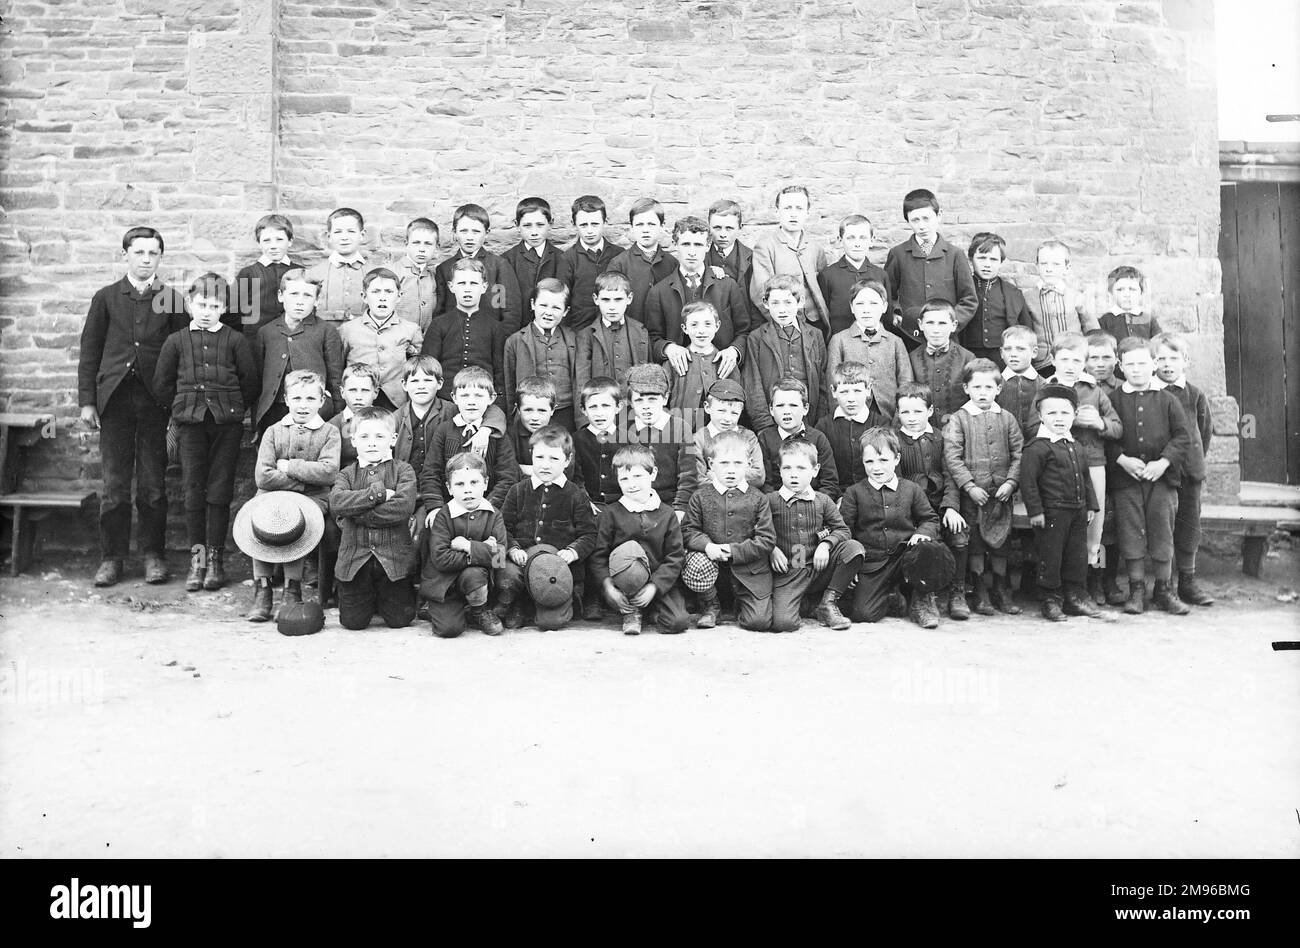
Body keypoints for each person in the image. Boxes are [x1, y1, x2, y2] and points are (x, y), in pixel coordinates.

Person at [78, 225, 187, 587]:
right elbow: (90, 353)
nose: (145, 259)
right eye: (138, 252)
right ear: (125, 254)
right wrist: (87, 403)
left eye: (152, 253)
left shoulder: (170, 298)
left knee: (154, 485)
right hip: (115, 402)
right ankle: (112, 557)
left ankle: (154, 555)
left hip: (156, 401)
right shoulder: (107, 297)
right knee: (114, 485)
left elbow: (181, 353)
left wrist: (175, 401)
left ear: (160, 257)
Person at [153, 272, 258, 592]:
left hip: (225, 426)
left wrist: (233, 409)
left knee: (219, 490)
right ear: (188, 304)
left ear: (224, 307)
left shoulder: (235, 340)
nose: (207, 311)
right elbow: (161, 385)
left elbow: (250, 382)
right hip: (190, 425)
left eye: (214, 305)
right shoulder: (176, 341)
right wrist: (182, 409)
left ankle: (216, 561)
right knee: (192, 490)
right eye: (201, 304)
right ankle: (197, 562)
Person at [1106, 338, 1193, 614]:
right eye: (1130, 364)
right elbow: (1104, 437)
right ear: (1120, 366)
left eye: (1143, 363)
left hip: (1162, 480)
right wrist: (1121, 459)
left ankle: (1164, 590)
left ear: (1154, 364)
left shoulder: (1167, 399)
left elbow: (1182, 437)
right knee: (1130, 530)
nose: (1137, 369)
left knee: (1161, 529)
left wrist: (1164, 462)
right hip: (1126, 480)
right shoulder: (1113, 399)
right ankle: (1136, 590)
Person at [247, 370, 342, 620]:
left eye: (311, 399)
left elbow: (329, 472)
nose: (303, 405)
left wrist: (289, 467)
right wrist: (304, 481)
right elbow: (263, 476)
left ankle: (292, 588)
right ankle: (263, 588)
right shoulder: (273, 431)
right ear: (286, 399)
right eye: (297, 398)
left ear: (322, 401)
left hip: (313, 499)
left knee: (294, 518)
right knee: (260, 517)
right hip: (272, 496)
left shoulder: (329, 433)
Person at [839, 427, 955, 627]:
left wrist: (921, 534)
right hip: (873, 562)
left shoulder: (911, 489)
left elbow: (930, 519)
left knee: (929, 548)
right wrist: (850, 564)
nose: (877, 467)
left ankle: (921, 601)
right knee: (864, 613)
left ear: (896, 458)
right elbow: (844, 530)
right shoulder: (854, 493)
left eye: (883, 460)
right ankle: (894, 598)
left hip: (906, 556)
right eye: (870, 461)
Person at [943, 359, 1024, 616]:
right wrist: (969, 486)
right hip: (974, 496)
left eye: (988, 387)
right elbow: (952, 457)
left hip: (1001, 495)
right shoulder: (959, 419)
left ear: (998, 389)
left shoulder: (1007, 419)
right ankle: (979, 589)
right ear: (966, 388)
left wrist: (1011, 482)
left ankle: (1000, 589)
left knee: (1001, 543)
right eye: (976, 387)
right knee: (975, 542)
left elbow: (1019, 453)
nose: (982, 392)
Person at [497, 425, 599, 630]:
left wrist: (572, 552)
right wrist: (513, 548)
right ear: (531, 456)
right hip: (521, 561)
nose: (546, 465)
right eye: (540, 457)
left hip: (555, 567)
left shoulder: (575, 495)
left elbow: (589, 534)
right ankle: (518, 602)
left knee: (549, 623)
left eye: (554, 459)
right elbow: (502, 528)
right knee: (505, 572)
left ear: (567, 461)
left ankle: (551, 603)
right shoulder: (518, 490)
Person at [1046, 332, 1121, 603]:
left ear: (1085, 362)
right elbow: (1032, 426)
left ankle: (1092, 580)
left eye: (1077, 360)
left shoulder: (1094, 391)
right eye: (1064, 359)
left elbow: (1117, 427)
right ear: (1053, 360)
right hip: (1056, 466)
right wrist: (1063, 421)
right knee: (1062, 524)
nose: (1070, 365)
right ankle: (1060, 585)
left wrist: (1099, 423)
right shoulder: (1046, 389)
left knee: (1095, 525)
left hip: (1093, 464)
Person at [329, 406, 419, 630]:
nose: (372, 443)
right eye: (365, 436)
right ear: (354, 439)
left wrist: (356, 513)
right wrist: (377, 494)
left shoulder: (403, 471)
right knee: (353, 623)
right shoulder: (346, 474)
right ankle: (365, 599)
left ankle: (385, 599)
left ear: (393, 439)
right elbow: (337, 503)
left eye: (379, 436)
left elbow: (403, 508)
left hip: (394, 561)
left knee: (400, 621)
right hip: (355, 561)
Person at [1019, 384, 1102, 621]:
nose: (1058, 418)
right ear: (1041, 416)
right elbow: (1028, 482)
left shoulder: (1075, 446)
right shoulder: (1037, 447)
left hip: (1077, 512)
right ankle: (1050, 599)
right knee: (1051, 557)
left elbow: (1085, 478)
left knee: (1076, 555)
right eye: (1052, 413)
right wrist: (1036, 511)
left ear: (1074, 415)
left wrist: (1091, 506)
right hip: (1052, 513)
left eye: (1065, 413)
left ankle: (1075, 597)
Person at [589, 444, 691, 635]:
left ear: (653, 474)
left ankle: (649, 609)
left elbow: (675, 556)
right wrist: (608, 586)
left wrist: (655, 586)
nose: (632, 484)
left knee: (678, 622)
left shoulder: (667, 514)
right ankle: (631, 611)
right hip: (623, 582)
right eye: (624, 479)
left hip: (657, 581)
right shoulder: (611, 513)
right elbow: (598, 555)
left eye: (638, 476)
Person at [681, 431, 776, 631]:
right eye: (724, 463)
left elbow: (766, 540)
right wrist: (708, 546)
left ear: (749, 464)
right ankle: (710, 604)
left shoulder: (758, 498)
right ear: (711, 464)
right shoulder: (700, 496)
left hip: (748, 572)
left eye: (738, 463)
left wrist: (733, 551)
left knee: (758, 622)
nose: (731, 470)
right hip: (712, 568)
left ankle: (741, 604)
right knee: (696, 560)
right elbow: (689, 530)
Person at [766, 439, 864, 631]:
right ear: (779, 470)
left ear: (815, 470)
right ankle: (806, 603)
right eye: (787, 468)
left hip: (819, 568)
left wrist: (825, 544)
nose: (794, 474)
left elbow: (842, 530)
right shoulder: (769, 501)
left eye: (801, 468)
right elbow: (757, 532)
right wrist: (771, 548)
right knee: (785, 623)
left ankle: (828, 603)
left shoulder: (823, 500)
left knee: (853, 548)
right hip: (790, 571)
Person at [894, 382, 969, 620]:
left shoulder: (940, 439)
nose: (911, 417)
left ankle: (957, 590)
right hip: (912, 510)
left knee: (959, 536)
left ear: (929, 411)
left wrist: (951, 507)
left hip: (940, 506)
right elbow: (897, 481)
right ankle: (923, 598)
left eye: (918, 411)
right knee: (924, 543)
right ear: (897, 413)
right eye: (905, 412)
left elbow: (950, 476)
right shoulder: (894, 440)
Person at [645, 216, 750, 384]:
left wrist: (734, 351)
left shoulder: (728, 286)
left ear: (708, 246)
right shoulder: (659, 291)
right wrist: (668, 348)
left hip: (721, 375)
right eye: (686, 244)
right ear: (675, 245)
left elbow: (744, 331)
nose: (692, 252)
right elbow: (652, 336)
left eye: (698, 245)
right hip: (680, 379)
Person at [1154, 332, 1214, 607]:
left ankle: (1187, 582)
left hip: (1189, 472)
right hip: (1162, 474)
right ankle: (1162, 585)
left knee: (1189, 525)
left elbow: (1204, 430)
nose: (1167, 364)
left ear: (1185, 361)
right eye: (1161, 358)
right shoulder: (1152, 393)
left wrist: (1192, 460)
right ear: (1153, 362)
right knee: (1163, 525)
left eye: (1173, 358)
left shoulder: (1194, 394)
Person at [419, 451, 507, 637]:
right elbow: (442, 559)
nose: (468, 490)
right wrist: (483, 550)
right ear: (449, 488)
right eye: (460, 484)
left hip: (475, 581)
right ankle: (435, 607)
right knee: (449, 630)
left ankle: (478, 611)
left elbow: (499, 557)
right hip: (445, 584)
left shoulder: (494, 514)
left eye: (474, 482)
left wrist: (467, 546)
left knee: (474, 574)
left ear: (485, 483)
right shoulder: (443, 515)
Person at [251, 267, 343, 440]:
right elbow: (258, 382)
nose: (300, 301)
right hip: (274, 410)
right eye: (293, 294)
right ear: (281, 296)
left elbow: (335, 379)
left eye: (307, 295)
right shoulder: (266, 332)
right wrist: (257, 420)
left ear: (317, 300)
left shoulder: (326, 331)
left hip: (313, 411)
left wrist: (338, 417)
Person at [884, 188, 977, 350]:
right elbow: (887, 294)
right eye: (915, 220)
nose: (922, 226)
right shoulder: (898, 254)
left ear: (939, 215)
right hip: (909, 336)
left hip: (947, 339)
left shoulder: (955, 255)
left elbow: (969, 300)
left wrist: (948, 325)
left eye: (926, 218)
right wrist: (895, 313)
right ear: (908, 221)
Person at [420, 366, 518, 514]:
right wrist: (435, 507)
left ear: (491, 398)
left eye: (478, 396)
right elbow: (430, 472)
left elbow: (508, 476)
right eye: (465, 396)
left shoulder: (497, 434)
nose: (471, 402)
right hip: (449, 507)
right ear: (454, 398)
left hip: (487, 508)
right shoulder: (444, 430)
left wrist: (488, 507)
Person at [743, 275, 829, 432]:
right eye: (775, 303)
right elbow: (753, 385)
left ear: (800, 302)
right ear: (765, 303)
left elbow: (823, 380)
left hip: (809, 420)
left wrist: (819, 422)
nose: (782, 310)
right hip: (772, 422)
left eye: (788, 302)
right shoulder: (757, 338)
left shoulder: (815, 335)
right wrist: (765, 426)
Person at [420, 257, 508, 401]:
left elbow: (499, 373)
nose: (467, 289)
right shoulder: (439, 324)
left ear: (484, 287)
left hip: (481, 399)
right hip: (445, 399)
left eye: (473, 283)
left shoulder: (495, 327)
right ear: (451, 286)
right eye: (461, 283)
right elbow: (428, 368)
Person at [749, 185, 831, 337]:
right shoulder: (766, 246)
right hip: (783, 325)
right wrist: (784, 321)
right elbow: (760, 292)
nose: (793, 214)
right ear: (777, 212)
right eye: (787, 208)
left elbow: (824, 287)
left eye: (799, 208)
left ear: (807, 212)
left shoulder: (815, 248)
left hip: (815, 323)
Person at [825, 277, 912, 419]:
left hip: (888, 416)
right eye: (860, 304)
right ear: (852, 308)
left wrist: (898, 418)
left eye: (873, 304)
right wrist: (841, 418)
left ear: (884, 307)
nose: (866, 310)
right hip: (850, 417)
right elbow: (832, 384)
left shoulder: (895, 342)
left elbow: (906, 383)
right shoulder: (839, 340)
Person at [337, 267, 422, 411]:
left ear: (399, 296)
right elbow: (339, 367)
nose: (382, 297)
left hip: (396, 402)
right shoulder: (348, 330)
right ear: (364, 296)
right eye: (376, 292)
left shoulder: (411, 329)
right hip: (359, 401)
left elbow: (416, 368)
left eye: (389, 292)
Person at [432, 203, 523, 333]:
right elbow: (440, 312)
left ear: (486, 233)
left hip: (491, 339)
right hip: (455, 339)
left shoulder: (498, 266)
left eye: (476, 231)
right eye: (464, 231)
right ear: (454, 232)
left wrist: (499, 339)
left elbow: (510, 312)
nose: (470, 237)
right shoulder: (444, 269)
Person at [574, 271, 650, 425]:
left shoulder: (640, 331)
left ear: (629, 299)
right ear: (596, 300)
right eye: (606, 300)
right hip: (600, 415)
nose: (612, 307)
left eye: (618, 300)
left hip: (633, 415)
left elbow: (647, 378)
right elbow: (581, 384)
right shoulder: (586, 336)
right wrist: (585, 424)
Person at [623, 363, 698, 515]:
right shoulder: (624, 429)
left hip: (670, 504)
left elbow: (688, 476)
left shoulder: (680, 427)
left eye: (652, 399)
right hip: (632, 504)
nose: (646, 406)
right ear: (630, 402)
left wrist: (680, 509)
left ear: (665, 399)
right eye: (639, 400)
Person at [503, 278, 578, 428]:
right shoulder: (515, 341)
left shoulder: (574, 338)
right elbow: (509, 386)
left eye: (556, 308)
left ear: (565, 311)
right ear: (532, 304)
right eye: (543, 305)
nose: (548, 312)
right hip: (532, 416)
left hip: (566, 414)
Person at [1024, 239, 1098, 375]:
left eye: (1056, 264)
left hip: (1075, 363)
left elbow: (1092, 330)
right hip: (1042, 365)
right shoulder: (1027, 297)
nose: (1049, 268)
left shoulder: (1077, 295)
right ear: (1037, 266)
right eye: (1044, 263)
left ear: (1067, 267)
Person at [756, 379, 839, 499]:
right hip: (778, 507)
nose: (786, 411)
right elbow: (766, 484)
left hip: (813, 505)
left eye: (793, 405)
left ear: (805, 409)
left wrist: (816, 504)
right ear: (771, 410)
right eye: (780, 406)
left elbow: (830, 482)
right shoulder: (765, 438)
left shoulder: (818, 438)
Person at [816, 360, 889, 492]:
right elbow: (822, 473)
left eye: (857, 391)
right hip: (836, 495)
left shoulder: (880, 424)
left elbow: (888, 469)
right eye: (844, 392)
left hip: (874, 493)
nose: (851, 398)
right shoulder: (824, 426)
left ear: (868, 390)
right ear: (833, 391)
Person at [604, 197, 678, 327]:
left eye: (651, 224)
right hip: (631, 334)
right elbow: (611, 304)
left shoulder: (672, 263)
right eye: (639, 224)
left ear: (662, 226)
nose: (645, 230)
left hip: (664, 334)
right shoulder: (619, 263)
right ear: (631, 227)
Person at [554, 194, 622, 332]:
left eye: (595, 224)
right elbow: (562, 300)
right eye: (583, 225)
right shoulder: (567, 259)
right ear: (574, 224)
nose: (590, 230)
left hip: (614, 331)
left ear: (605, 221)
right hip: (580, 331)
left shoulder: (619, 254)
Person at [960, 232, 1030, 365]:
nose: (987, 264)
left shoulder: (1012, 293)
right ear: (971, 259)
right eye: (981, 258)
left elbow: (1025, 329)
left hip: (1002, 356)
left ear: (1001, 262)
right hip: (968, 354)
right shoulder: (961, 289)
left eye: (993, 259)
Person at [818, 213, 889, 337]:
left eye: (863, 238)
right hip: (840, 345)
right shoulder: (828, 276)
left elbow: (887, 318)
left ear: (872, 240)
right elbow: (823, 317)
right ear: (840, 240)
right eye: (851, 238)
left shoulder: (881, 275)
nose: (857, 243)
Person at [666, 301, 741, 418]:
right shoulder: (674, 361)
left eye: (707, 324)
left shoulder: (726, 361)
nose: (701, 330)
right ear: (685, 328)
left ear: (717, 326)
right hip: (679, 429)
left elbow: (736, 401)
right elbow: (661, 398)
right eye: (694, 325)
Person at [908, 300, 974, 426]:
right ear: (920, 325)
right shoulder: (912, 358)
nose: (936, 330)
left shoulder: (968, 358)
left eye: (942, 323)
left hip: (960, 429)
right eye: (930, 323)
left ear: (954, 325)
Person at [690, 379, 764, 491]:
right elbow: (699, 480)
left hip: (743, 499)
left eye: (734, 413)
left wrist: (716, 476)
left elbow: (758, 476)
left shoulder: (748, 437)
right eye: (721, 411)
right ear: (707, 407)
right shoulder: (698, 439)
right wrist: (738, 478)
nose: (727, 418)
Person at [231, 213, 297, 336]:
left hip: (293, 339)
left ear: (290, 241)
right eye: (267, 240)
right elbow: (232, 311)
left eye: (279, 239)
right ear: (259, 243)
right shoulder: (248, 273)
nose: (273, 246)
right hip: (255, 341)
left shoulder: (299, 271)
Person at [501, 197, 561, 328]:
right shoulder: (504, 261)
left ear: (551, 223)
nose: (534, 232)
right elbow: (498, 303)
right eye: (527, 225)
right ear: (517, 225)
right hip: (516, 332)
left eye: (540, 225)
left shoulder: (562, 259)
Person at [304, 207, 367, 322]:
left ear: (362, 235)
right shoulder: (314, 274)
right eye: (338, 232)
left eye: (351, 231)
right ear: (329, 237)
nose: (344, 237)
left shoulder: (373, 273)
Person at [705, 199, 756, 323]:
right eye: (717, 228)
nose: (723, 234)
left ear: (740, 227)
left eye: (729, 228)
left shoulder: (752, 258)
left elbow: (756, 301)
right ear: (709, 227)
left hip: (743, 326)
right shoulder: (701, 257)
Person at [328, 362, 380, 471]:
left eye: (365, 391)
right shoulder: (333, 426)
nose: (358, 397)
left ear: (375, 392)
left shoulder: (385, 421)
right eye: (352, 390)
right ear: (342, 392)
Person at [391, 218, 439, 333]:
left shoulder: (435, 276)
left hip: (426, 343)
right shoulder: (393, 273)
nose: (421, 249)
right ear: (406, 244)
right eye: (416, 243)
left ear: (436, 248)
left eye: (428, 244)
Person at [1099, 266, 1163, 343]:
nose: (1127, 294)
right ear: (1111, 293)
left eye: (1132, 289)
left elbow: (1159, 343)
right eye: (1120, 290)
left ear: (1141, 293)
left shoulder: (1148, 320)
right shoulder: (1105, 320)